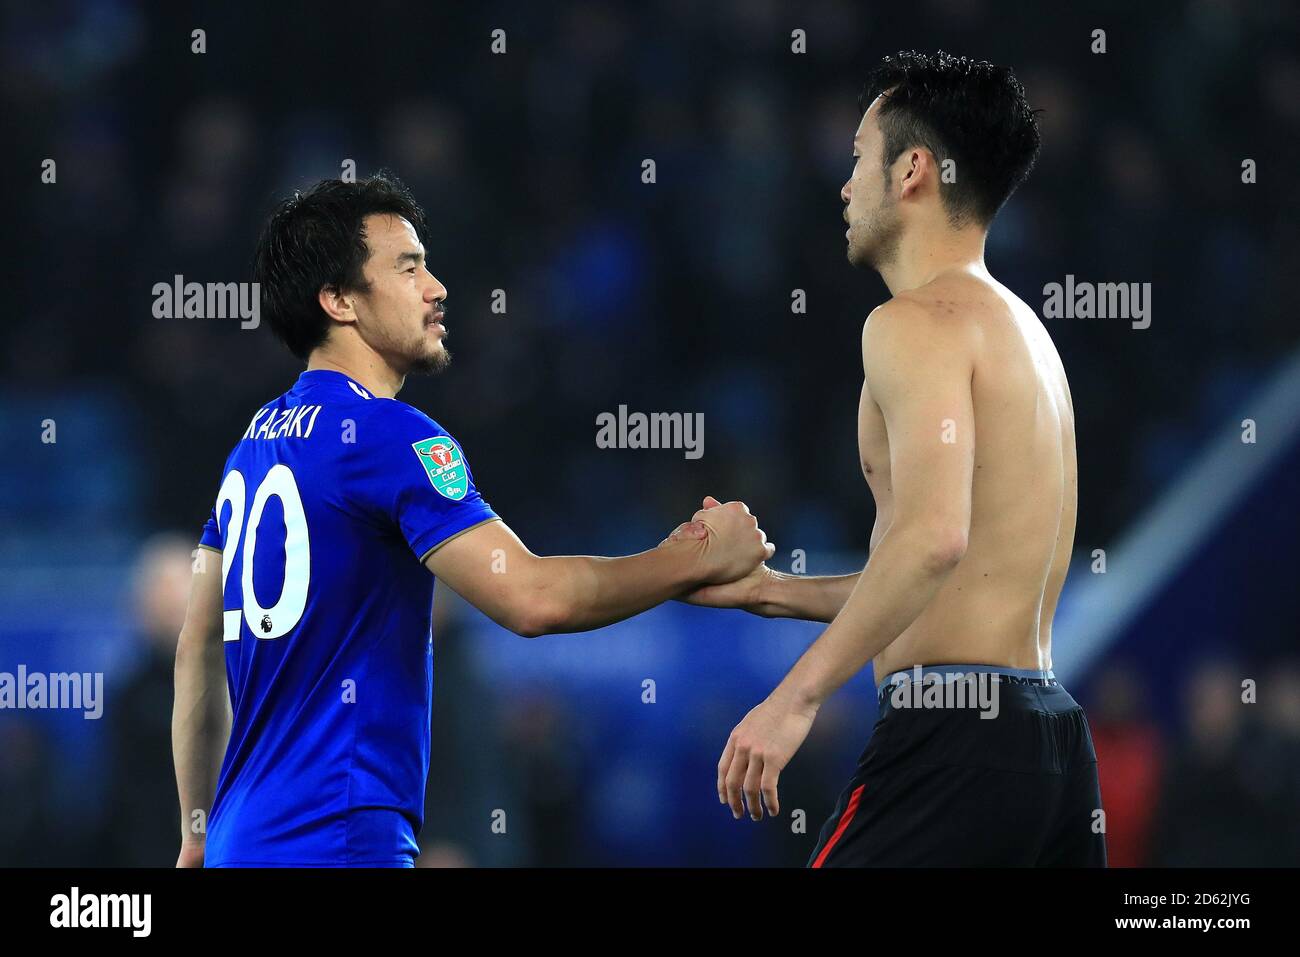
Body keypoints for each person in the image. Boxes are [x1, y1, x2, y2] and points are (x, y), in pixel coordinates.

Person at [172, 174, 773, 868]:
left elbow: (197, 646)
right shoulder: (388, 435)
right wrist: (692, 557)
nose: (436, 287)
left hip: (238, 843)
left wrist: (195, 831)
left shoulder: (252, 444)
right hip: (338, 840)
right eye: (407, 267)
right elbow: (532, 598)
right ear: (339, 300)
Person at [675, 51, 1105, 866]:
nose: (844, 186)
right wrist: (771, 591)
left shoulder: (913, 323)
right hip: (1049, 745)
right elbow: (951, 571)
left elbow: (932, 539)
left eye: (857, 158)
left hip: (950, 744)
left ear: (911, 171)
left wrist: (795, 697)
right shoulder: (1026, 335)